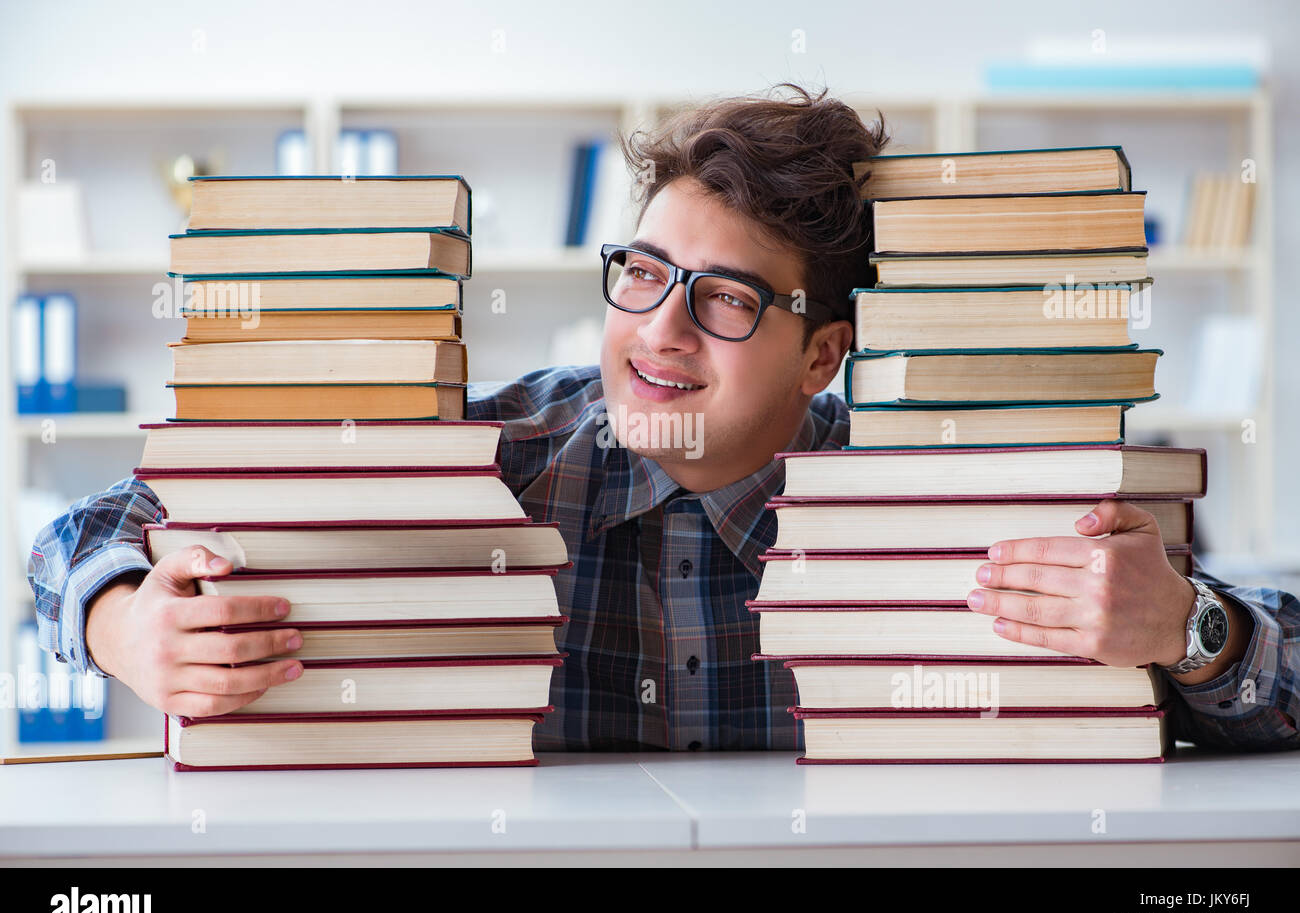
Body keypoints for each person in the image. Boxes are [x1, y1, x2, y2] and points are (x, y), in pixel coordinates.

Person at [28, 83, 1300, 752]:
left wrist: (1179, 627)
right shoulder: (487, 457)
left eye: (727, 299)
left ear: (825, 359)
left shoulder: (938, 490)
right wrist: (124, 617)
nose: (658, 333)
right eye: (642, 274)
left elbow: (1276, 661)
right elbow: (84, 525)